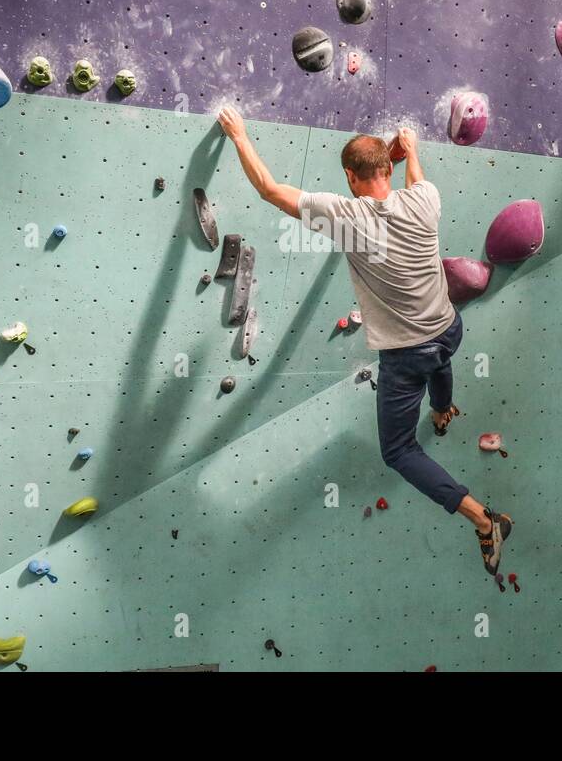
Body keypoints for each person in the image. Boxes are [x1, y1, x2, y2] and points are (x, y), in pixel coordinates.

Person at [216, 107, 513, 574]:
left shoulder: (346, 216)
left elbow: (270, 189)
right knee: (440, 360)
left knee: (398, 452)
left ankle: (482, 518)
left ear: (351, 178)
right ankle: (441, 409)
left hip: (408, 355)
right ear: (390, 170)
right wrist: (411, 150)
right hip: (448, 329)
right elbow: (417, 177)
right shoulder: (425, 199)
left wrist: (239, 135)